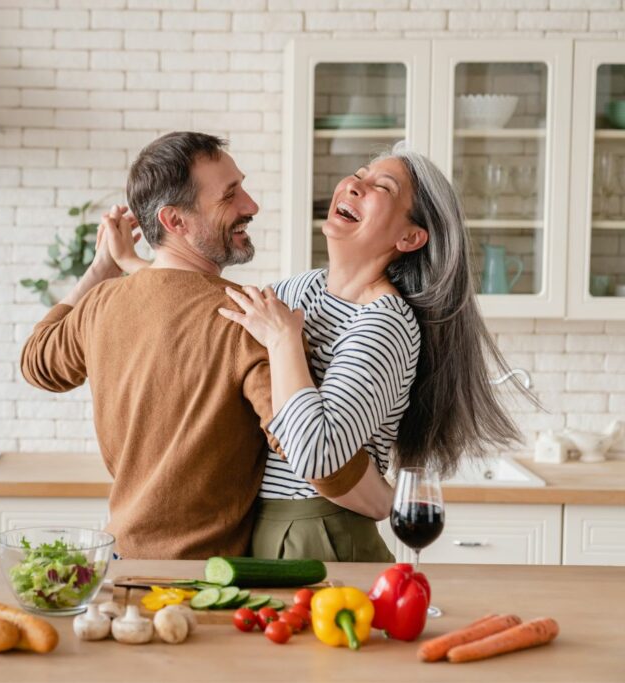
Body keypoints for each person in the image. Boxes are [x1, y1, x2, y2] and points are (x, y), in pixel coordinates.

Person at [108, 142, 528, 562]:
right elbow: (212, 311)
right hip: (260, 528)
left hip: (322, 533)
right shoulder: (301, 289)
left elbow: (317, 455)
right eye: (359, 174)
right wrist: (132, 263)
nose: (354, 186)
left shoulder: (385, 323)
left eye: (381, 186)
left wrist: (284, 342)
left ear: (410, 236)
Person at [19, 132, 371, 560]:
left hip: (119, 564)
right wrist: (391, 501)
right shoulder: (245, 319)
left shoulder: (101, 304)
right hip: (203, 582)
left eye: (241, 185)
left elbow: (37, 362)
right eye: (230, 196)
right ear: (175, 221)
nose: (251, 205)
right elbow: (317, 458)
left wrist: (100, 269)